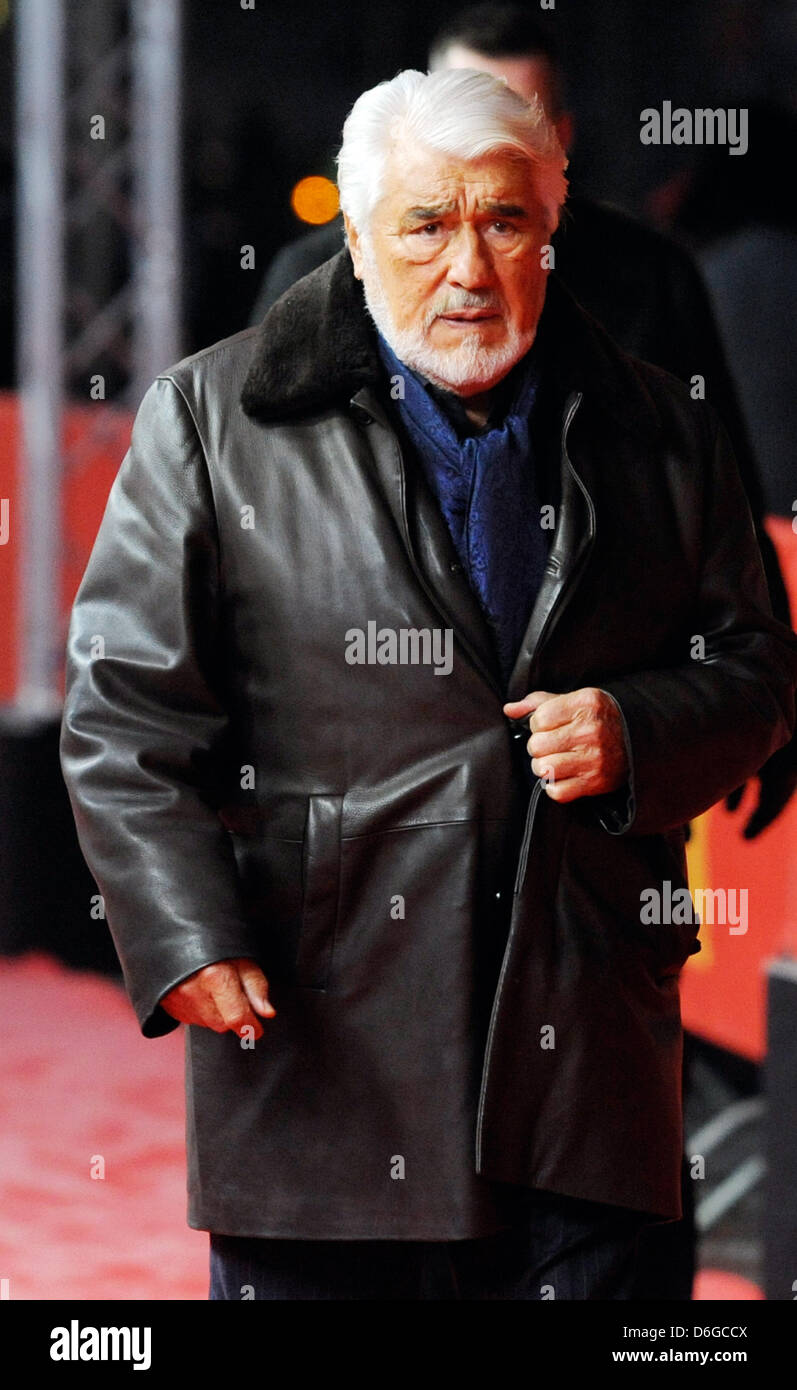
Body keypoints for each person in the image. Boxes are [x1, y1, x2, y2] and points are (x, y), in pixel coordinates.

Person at [60, 69, 797, 1301]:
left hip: (589, 1079)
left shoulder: (663, 427)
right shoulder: (211, 416)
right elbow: (124, 716)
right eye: (425, 224)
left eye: (503, 222)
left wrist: (636, 729)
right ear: (354, 240)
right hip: (323, 1065)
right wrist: (182, 930)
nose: (470, 267)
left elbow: (757, 672)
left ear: (548, 232)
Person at [251, 5, 796, 843]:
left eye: (516, 125)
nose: (470, 268)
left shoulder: (649, 281)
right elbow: (170, 682)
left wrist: (704, 723)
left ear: (560, 147)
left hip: (594, 845)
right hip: (366, 833)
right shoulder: (309, 286)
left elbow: (726, 534)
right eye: (463, 111)